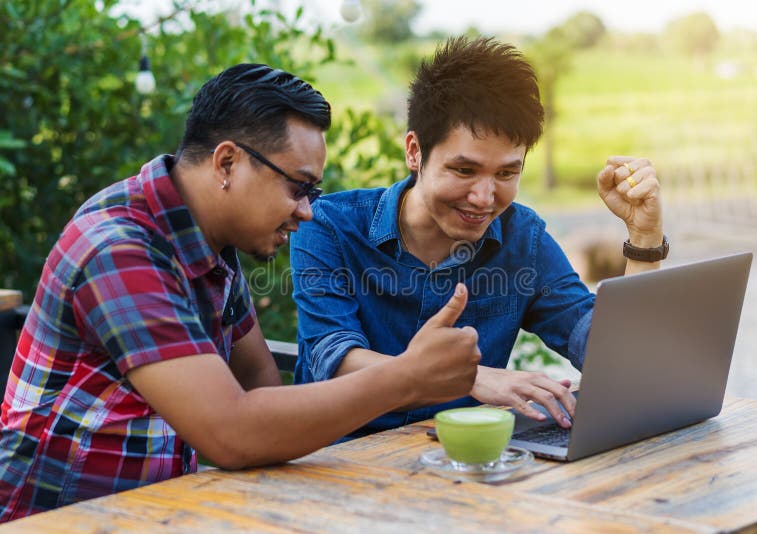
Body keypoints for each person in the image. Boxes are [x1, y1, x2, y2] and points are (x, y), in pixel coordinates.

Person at [0, 64, 482, 521]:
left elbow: (262, 391)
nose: (308, 212)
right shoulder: (118, 249)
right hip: (48, 518)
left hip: (147, 513)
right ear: (227, 162)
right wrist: (406, 378)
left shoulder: (207, 240)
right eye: (298, 187)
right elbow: (233, 432)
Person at [290, 36, 666, 437]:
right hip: (337, 463)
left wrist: (645, 238)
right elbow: (335, 356)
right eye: (464, 171)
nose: (484, 199)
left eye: (506, 173)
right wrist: (469, 378)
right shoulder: (328, 225)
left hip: (465, 466)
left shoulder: (524, 240)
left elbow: (618, 358)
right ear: (415, 151)